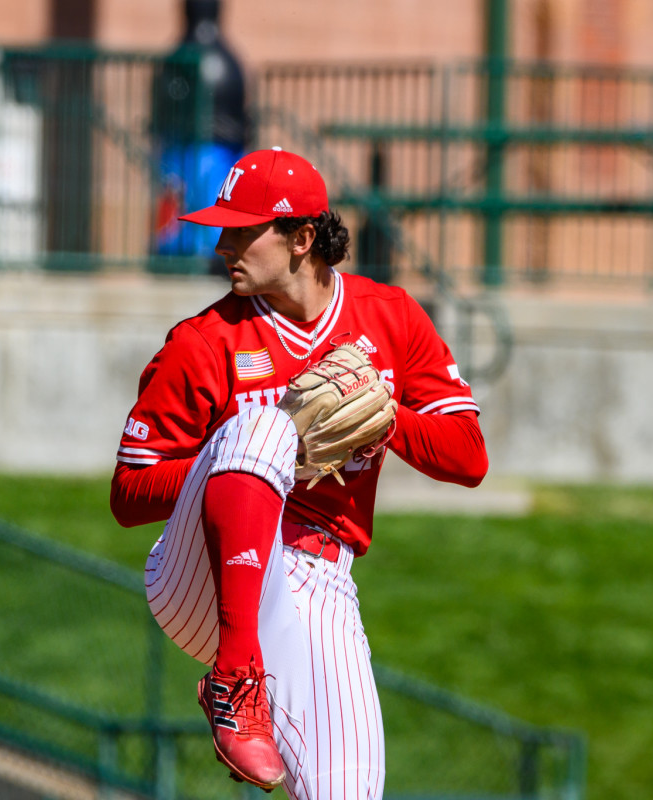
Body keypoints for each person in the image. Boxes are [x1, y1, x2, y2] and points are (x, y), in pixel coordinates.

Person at [110, 147, 488, 799]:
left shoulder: (390, 317)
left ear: (302, 238)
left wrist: (386, 418)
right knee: (265, 426)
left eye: (242, 229)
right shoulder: (203, 343)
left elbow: (468, 457)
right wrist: (271, 455)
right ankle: (233, 679)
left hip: (319, 583)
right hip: (203, 575)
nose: (224, 243)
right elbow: (130, 491)